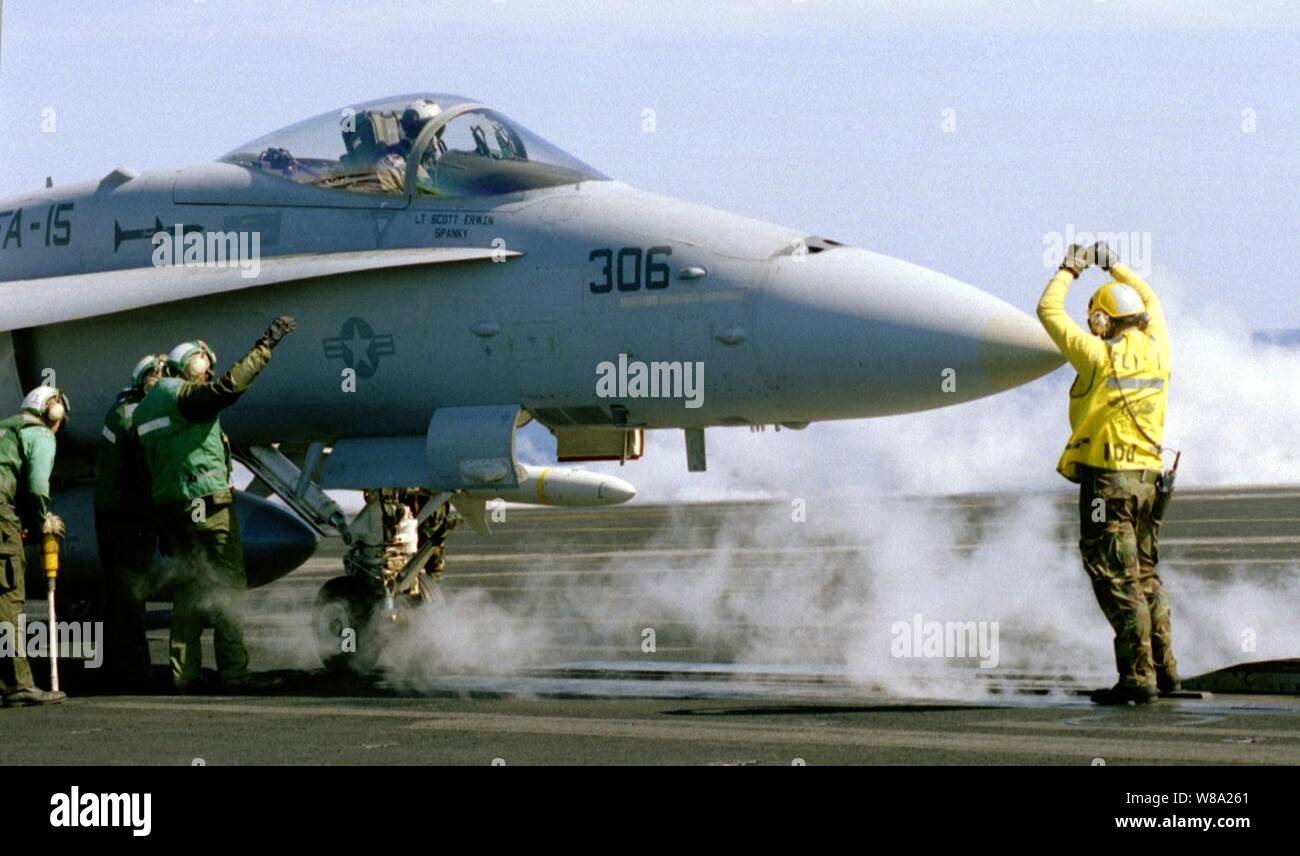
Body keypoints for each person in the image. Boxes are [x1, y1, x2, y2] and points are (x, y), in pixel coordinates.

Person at [1037, 241, 1179, 705]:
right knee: (1146, 574)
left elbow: (1047, 310)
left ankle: (1138, 679)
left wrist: (1070, 267)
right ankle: (1166, 671)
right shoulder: (1159, 349)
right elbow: (1150, 299)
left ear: (1101, 321)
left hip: (1107, 486)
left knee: (1116, 577)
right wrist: (1113, 264)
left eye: (1094, 318)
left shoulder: (1098, 357)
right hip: (1150, 485)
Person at [134, 318, 296, 692]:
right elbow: (229, 388)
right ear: (194, 367)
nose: (208, 378)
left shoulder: (144, 410)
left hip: (173, 509)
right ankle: (233, 673)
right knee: (228, 583)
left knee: (189, 587)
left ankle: (184, 674)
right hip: (204, 502)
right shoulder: (184, 397)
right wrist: (265, 347)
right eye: (205, 371)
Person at [94, 353, 166, 689]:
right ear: (145, 379)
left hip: (116, 513)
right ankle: (135, 672)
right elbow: (144, 467)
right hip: (127, 517)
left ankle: (116, 666)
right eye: (159, 375)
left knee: (121, 595)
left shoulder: (124, 409)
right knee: (131, 595)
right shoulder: (134, 416)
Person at [0, 386, 70, 707]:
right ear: (52, 413)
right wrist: (42, 520)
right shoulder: (40, 434)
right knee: (7, 599)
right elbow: (37, 486)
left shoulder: (7, 427)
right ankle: (17, 685)